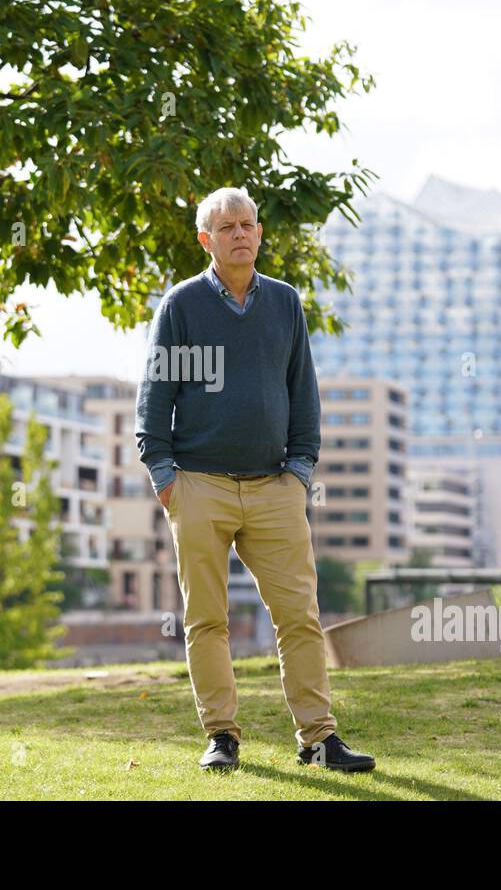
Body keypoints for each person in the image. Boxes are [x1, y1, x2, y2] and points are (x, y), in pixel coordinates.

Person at [135, 186, 375, 774]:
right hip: (198, 486)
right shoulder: (181, 305)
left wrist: (298, 471)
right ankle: (222, 736)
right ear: (206, 240)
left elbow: (303, 394)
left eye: (248, 224)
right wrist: (168, 479)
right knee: (207, 619)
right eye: (227, 227)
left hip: (275, 489)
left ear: (260, 233)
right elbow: (153, 401)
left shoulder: (285, 303)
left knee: (300, 616)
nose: (241, 234)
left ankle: (318, 739)